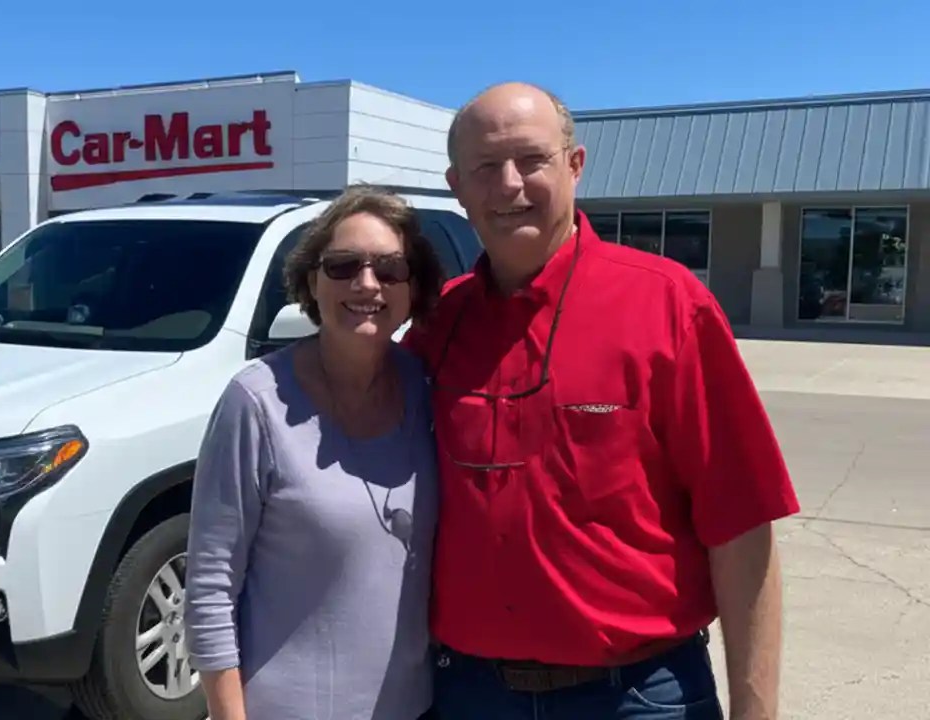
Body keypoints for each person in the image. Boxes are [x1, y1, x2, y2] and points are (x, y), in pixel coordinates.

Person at [401, 82, 801, 720]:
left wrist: (757, 711)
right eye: (484, 167)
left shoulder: (668, 306)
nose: (509, 184)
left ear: (574, 164)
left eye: (531, 159)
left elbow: (743, 525)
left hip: (639, 696)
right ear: (456, 185)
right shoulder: (437, 327)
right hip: (467, 695)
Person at [183, 184, 446, 720]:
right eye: (343, 265)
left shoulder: (425, 387)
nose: (367, 283)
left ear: (412, 289)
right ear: (311, 282)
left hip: (414, 708)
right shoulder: (255, 402)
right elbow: (209, 587)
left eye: (390, 268)